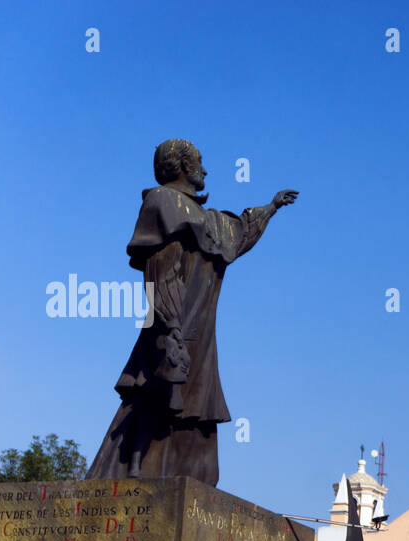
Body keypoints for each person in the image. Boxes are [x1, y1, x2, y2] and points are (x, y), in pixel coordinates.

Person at [87, 139, 297, 486]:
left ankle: (183, 483)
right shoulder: (163, 202)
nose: (206, 169)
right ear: (181, 166)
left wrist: (270, 207)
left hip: (198, 331)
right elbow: (160, 269)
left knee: (195, 406)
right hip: (174, 325)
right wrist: (169, 327)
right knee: (160, 395)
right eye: (200, 162)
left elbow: (238, 232)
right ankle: (137, 476)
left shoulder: (208, 219)